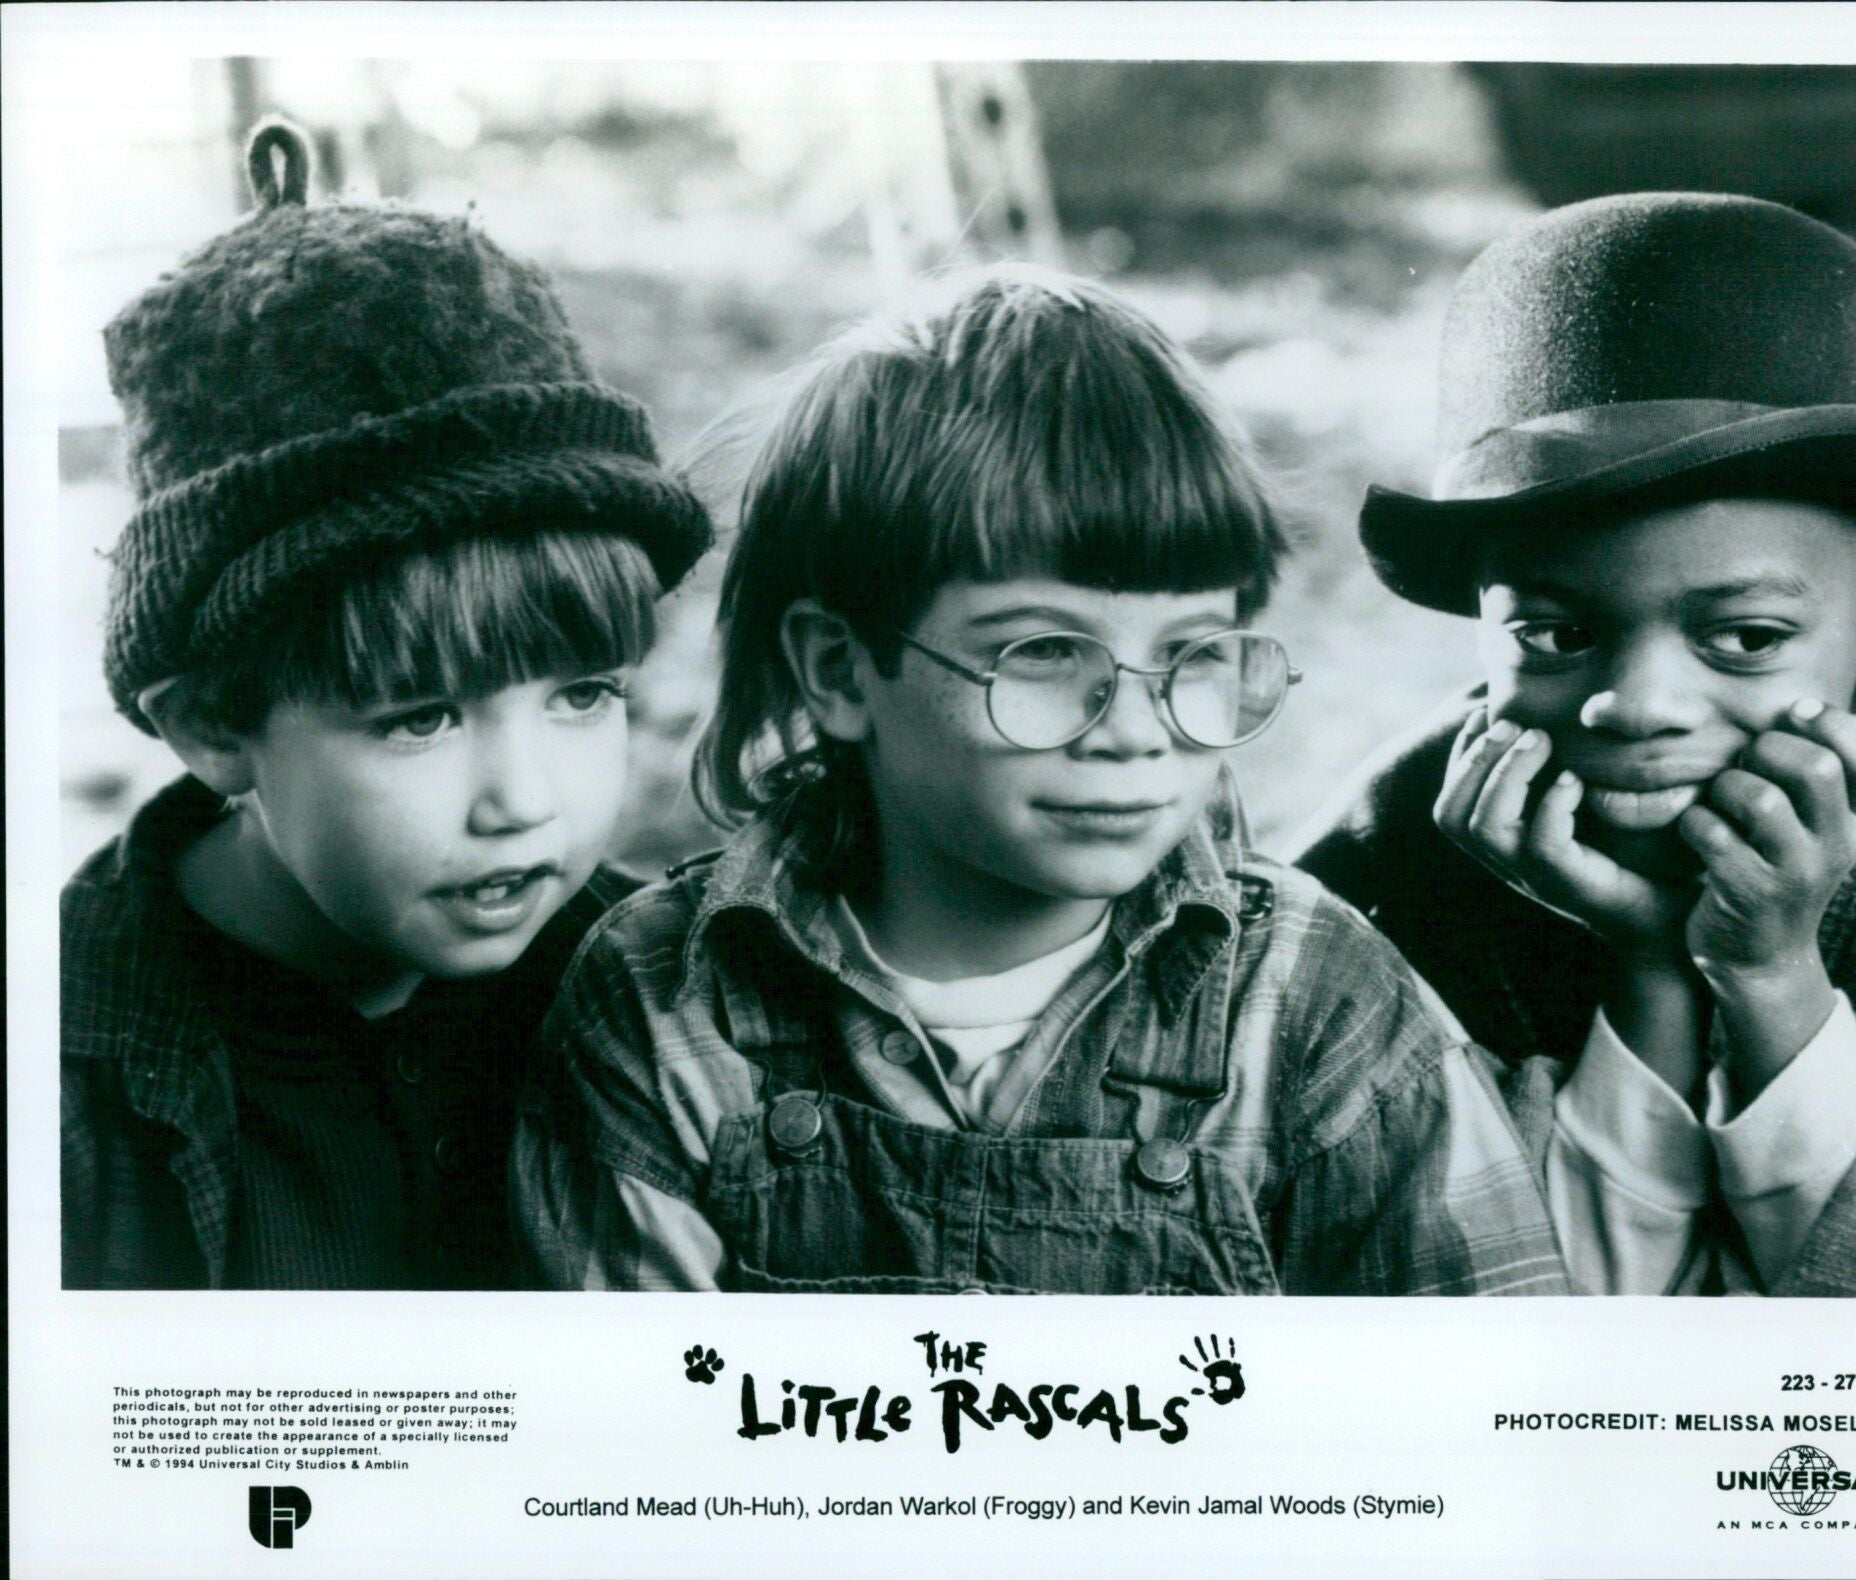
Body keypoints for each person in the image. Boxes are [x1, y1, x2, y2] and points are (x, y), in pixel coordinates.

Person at [513, 268, 1572, 1295]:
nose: (1132, 732)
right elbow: (644, 1439)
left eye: (1192, 654)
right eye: (1042, 655)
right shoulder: (663, 997)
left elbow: (1477, 1414)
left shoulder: (1313, 1005)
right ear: (837, 669)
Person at [61, 120, 712, 1289]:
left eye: (581, 693)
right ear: (212, 724)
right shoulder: (61, 1079)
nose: (526, 803)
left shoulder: (684, 1002)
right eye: (421, 716)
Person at [1289, 193, 1856, 1296]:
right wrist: (1651, 970)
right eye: (1551, 635)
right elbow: (1523, 1327)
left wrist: (1768, 972)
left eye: (1743, 638)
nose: (1631, 706)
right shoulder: (1377, 876)